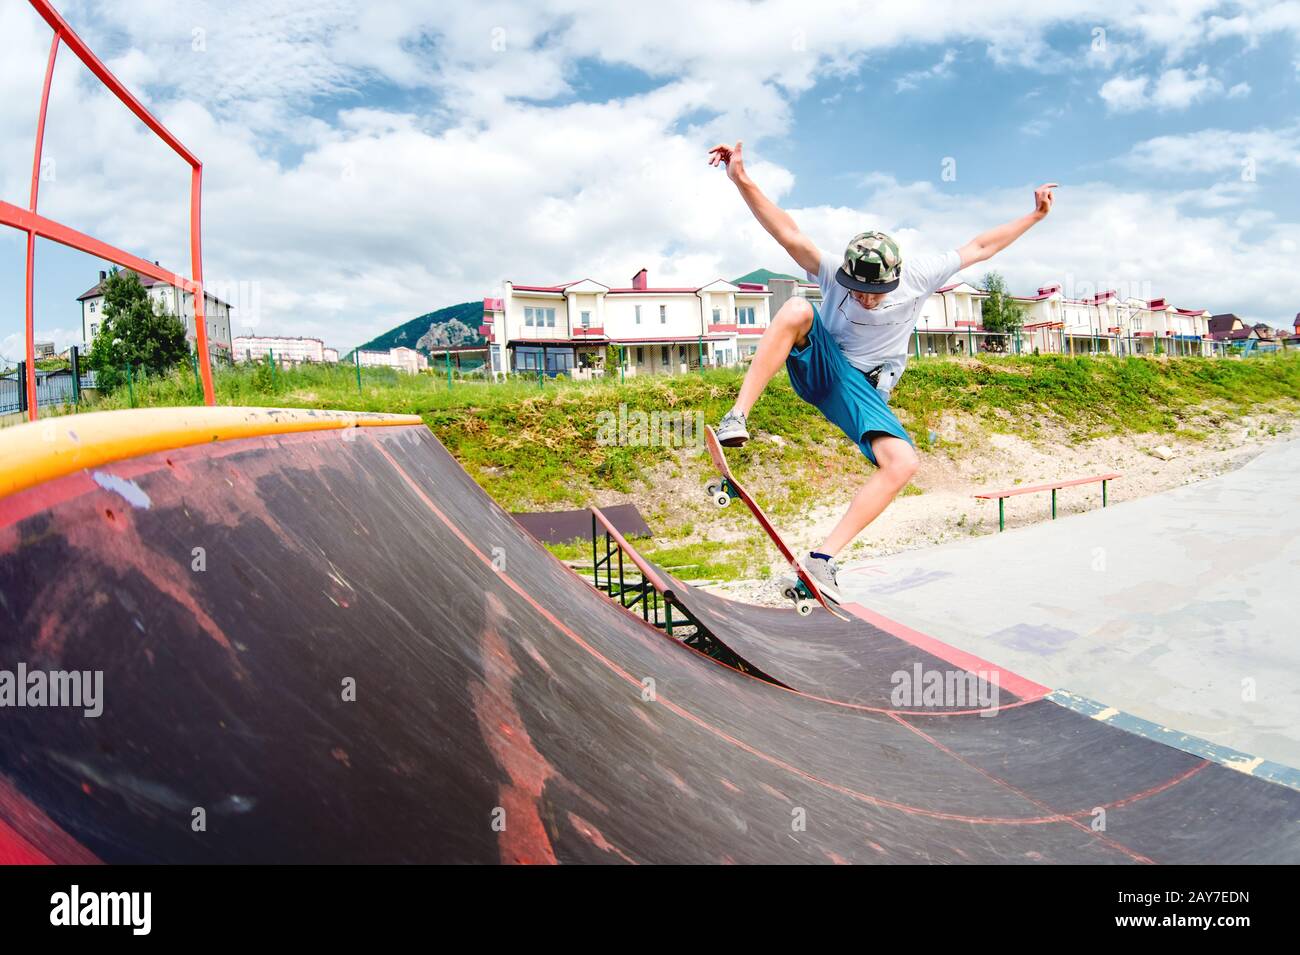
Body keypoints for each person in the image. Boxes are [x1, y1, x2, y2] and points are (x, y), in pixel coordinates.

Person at [707, 140, 1056, 603]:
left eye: (875, 293)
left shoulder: (920, 275)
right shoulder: (832, 270)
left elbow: (981, 246)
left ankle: (820, 562)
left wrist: (1033, 217)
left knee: (904, 462)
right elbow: (787, 232)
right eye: (857, 291)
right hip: (822, 366)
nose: (865, 300)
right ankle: (738, 416)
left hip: (866, 391)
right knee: (795, 308)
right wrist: (741, 178)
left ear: (895, 279)